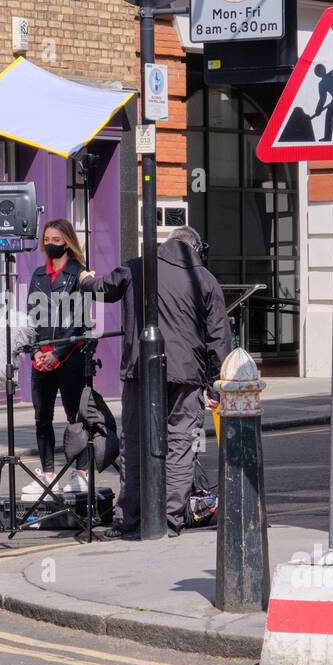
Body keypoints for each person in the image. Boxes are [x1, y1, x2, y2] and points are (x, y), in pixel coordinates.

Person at [79, 226, 231, 538]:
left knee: (134, 441)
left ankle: (130, 518)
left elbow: (102, 290)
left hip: (141, 371)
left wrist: (83, 281)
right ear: (196, 248)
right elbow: (219, 339)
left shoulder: (137, 267)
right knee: (179, 444)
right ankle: (170, 520)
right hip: (187, 376)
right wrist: (217, 383)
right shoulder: (205, 279)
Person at [23, 219, 92, 499]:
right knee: (42, 418)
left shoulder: (79, 275)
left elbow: (80, 322)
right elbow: (30, 317)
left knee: (75, 418)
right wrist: (36, 352)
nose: (51, 244)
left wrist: (57, 353)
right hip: (41, 357)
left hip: (70, 355)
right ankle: (47, 474)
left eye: (57, 239)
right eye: (47, 239)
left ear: (68, 242)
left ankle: (81, 474)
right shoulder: (38, 275)